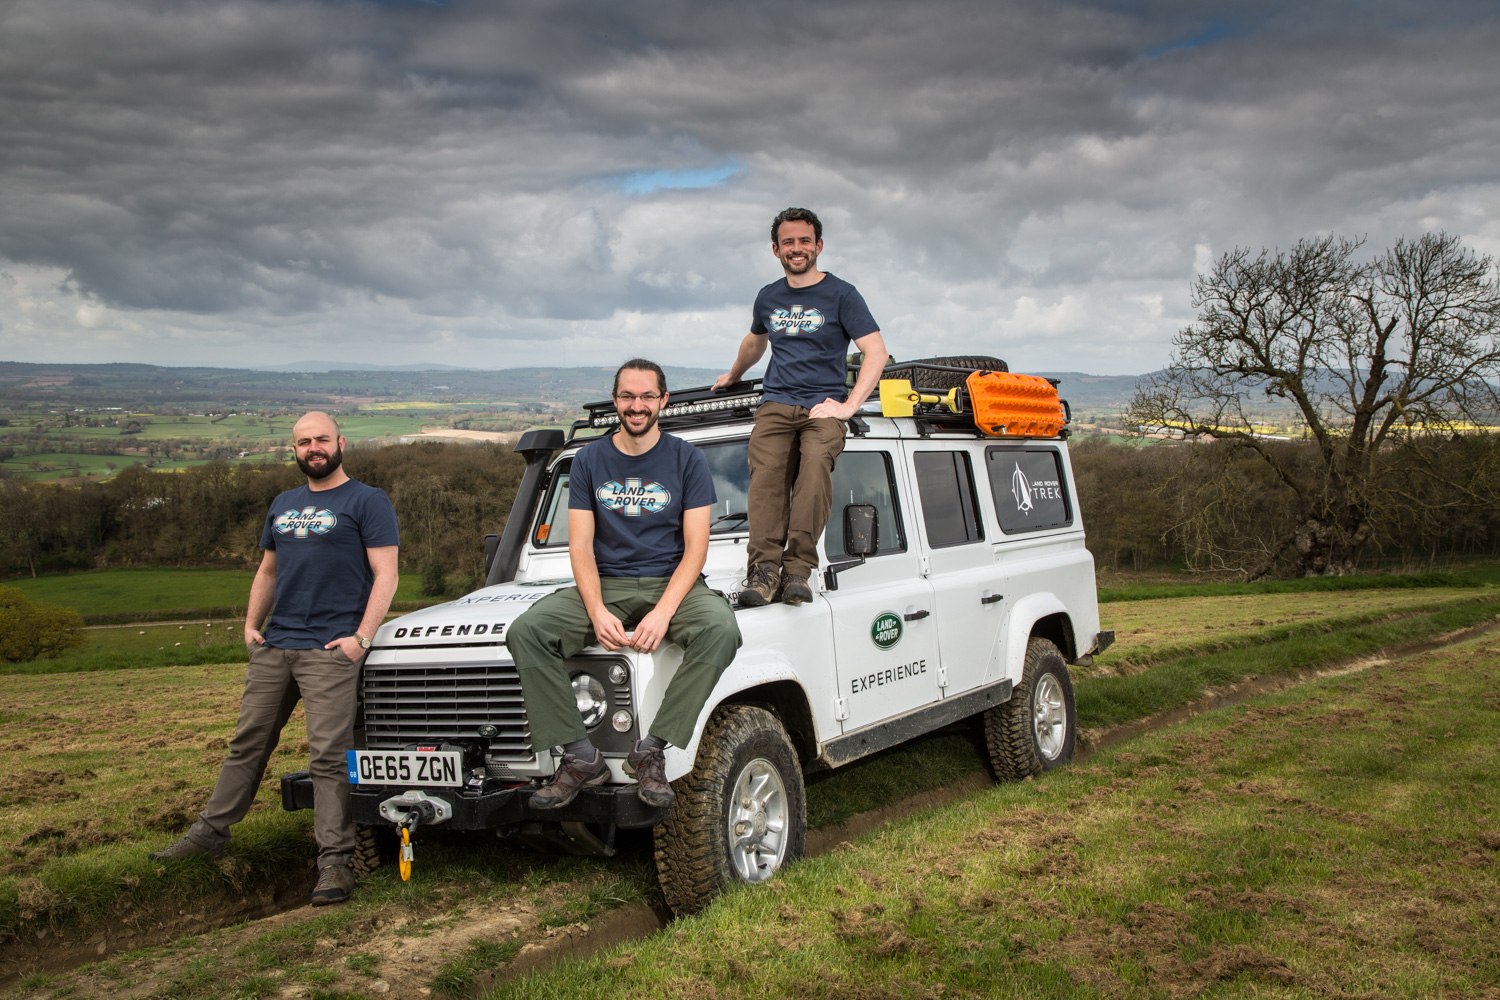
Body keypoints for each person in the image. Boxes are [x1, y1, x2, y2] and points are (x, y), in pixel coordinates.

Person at [148, 411, 400, 908]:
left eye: (321, 439)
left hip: (330, 650)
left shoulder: (367, 500)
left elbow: (386, 573)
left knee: (328, 758)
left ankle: (335, 862)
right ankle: (208, 835)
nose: (313, 448)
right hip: (276, 645)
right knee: (247, 744)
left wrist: (361, 638)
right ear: (294, 449)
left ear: (340, 443)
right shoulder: (283, 504)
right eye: (304, 442)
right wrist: (250, 626)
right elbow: (267, 571)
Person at [506, 359, 742, 811]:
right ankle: (580, 756)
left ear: (662, 400)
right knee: (527, 632)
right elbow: (580, 546)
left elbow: (696, 548)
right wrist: (596, 610)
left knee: (721, 629)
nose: (637, 406)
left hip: (671, 582)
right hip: (607, 583)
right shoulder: (589, 460)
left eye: (647, 396)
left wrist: (663, 611)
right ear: (616, 400)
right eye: (628, 396)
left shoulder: (687, 458)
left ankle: (651, 750)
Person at [715, 207, 890, 606]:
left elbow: (876, 352)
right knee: (765, 480)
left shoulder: (842, 294)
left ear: (819, 246)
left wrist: (848, 406)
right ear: (776, 249)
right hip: (776, 402)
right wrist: (734, 373)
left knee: (813, 472)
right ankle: (763, 573)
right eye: (788, 242)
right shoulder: (768, 296)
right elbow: (755, 341)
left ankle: (797, 572)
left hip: (822, 407)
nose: (797, 248)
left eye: (805, 241)